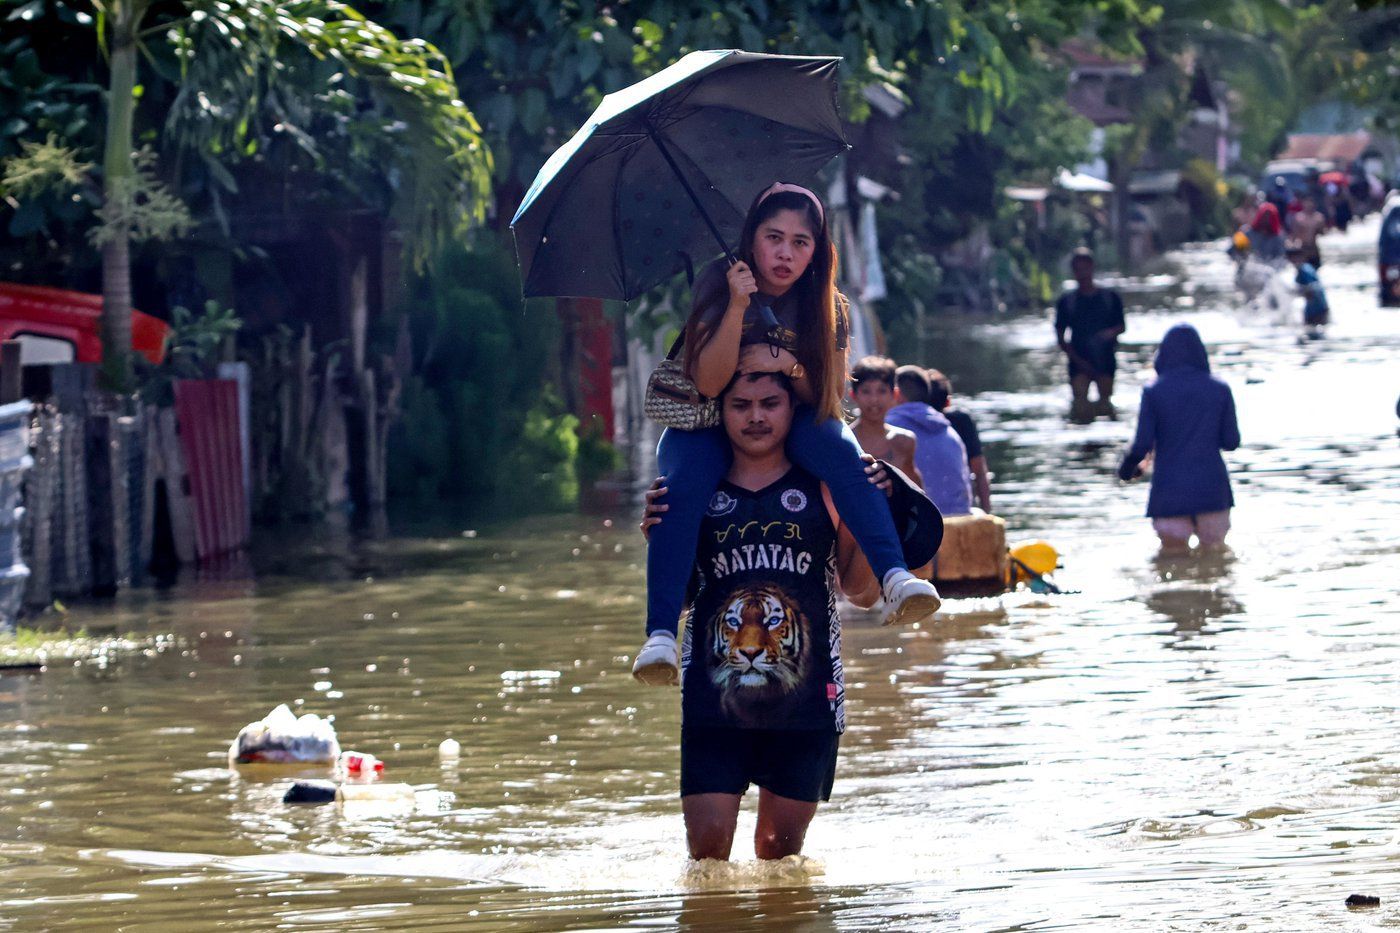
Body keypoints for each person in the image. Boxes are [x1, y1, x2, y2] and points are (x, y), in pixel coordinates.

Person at [633, 183, 942, 686]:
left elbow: (829, 396)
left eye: (801, 242)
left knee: (845, 454)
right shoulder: (719, 281)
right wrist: (737, 305)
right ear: (752, 239)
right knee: (675, 493)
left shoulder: (827, 303)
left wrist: (786, 363)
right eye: (773, 237)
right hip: (707, 420)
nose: (785, 253)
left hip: (795, 415)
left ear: (816, 250)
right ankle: (660, 636)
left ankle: (895, 575)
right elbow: (709, 382)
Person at [640, 371, 910, 861]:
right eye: (741, 405)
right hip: (714, 696)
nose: (756, 417)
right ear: (720, 413)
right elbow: (681, 601)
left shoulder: (828, 485)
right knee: (707, 850)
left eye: (770, 403)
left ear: (793, 410)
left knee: (778, 853)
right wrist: (658, 538)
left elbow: (860, 593)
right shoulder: (692, 487)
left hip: (808, 698)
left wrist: (871, 517)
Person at [1117, 323, 1240, 553]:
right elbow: (1231, 442)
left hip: (1169, 493)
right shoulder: (1220, 389)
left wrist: (1126, 470)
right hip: (1212, 490)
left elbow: (1142, 444)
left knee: (1171, 558)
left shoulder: (1154, 392)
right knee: (1216, 556)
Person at [884, 365, 972, 517]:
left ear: (897, 395)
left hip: (925, 523)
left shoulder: (888, 426)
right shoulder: (949, 430)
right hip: (961, 517)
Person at [1054, 247, 1125, 421]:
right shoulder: (1067, 302)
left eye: (1085, 268)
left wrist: (1107, 334)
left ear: (1092, 267)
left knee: (1105, 405)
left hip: (1105, 359)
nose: (1083, 273)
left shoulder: (1110, 298)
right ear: (1073, 271)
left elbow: (1121, 326)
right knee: (1080, 406)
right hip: (1078, 360)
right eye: (1078, 269)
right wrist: (1078, 360)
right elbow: (1061, 338)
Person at [925, 368, 992, 513]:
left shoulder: (903, 425)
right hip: (961, 509)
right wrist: (987, 514)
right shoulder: (961, 420)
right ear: (948, 402)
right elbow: (980, 472)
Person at [849, 356, 922, 487]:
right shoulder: (846, 441)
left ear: (895, 394)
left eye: (882, 391)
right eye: (866, 391)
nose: (874, 399)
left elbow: (915, 491)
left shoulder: (904, 442)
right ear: (853, 395)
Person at [1286, 241, 1329, 329]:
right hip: (1316, 309)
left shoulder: (1304, 270)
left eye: (1297, 256)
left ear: (1303, 256)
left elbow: (1312, 289)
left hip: (1317, 310)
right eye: (1292, 257)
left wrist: (1294, 292)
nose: (1294, 260)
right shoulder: (1304, 269)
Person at [1289, 196, 1327, 267]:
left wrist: (1317, 226)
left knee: (1315, 268)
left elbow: (1323, 233)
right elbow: (1294, 234)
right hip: (1302, 248)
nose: (1308, 205)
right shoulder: (1299, 217)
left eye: (1310, 203)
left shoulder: (1318, 217)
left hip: (1314, 248)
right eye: (1307, 203)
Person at [1247, 193, 1285, 261]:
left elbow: (1280, 257)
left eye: (1269, 217)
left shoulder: (1277, 239)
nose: (1266, 220)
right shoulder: (1250, 233)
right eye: (1264, 216)